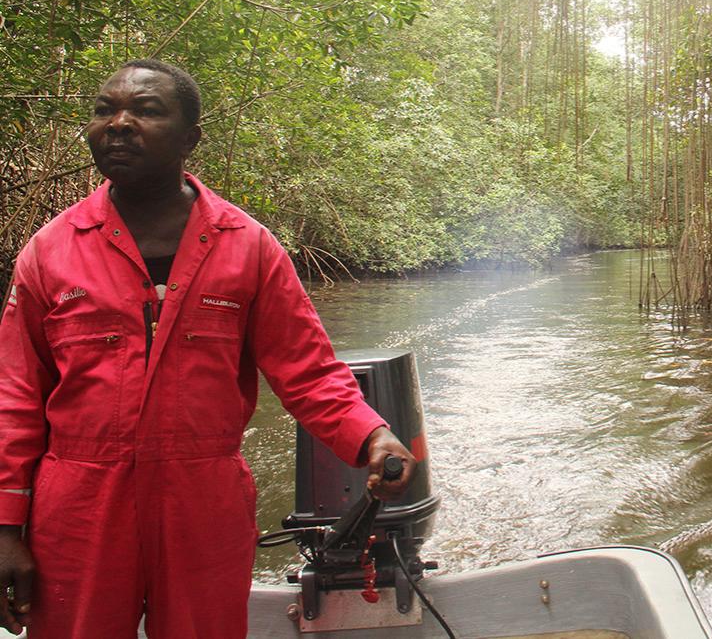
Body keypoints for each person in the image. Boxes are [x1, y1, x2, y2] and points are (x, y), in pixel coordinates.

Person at [0, 59, 416, 638]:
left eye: (144, 111)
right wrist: (5, 528)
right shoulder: (50, 251)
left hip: (203, 498)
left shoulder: (248, 248)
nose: (118, 124)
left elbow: (308, 370)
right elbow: (15, 396)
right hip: (79, 504)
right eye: (104, 110)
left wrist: (372, 435)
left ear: (191, 138)